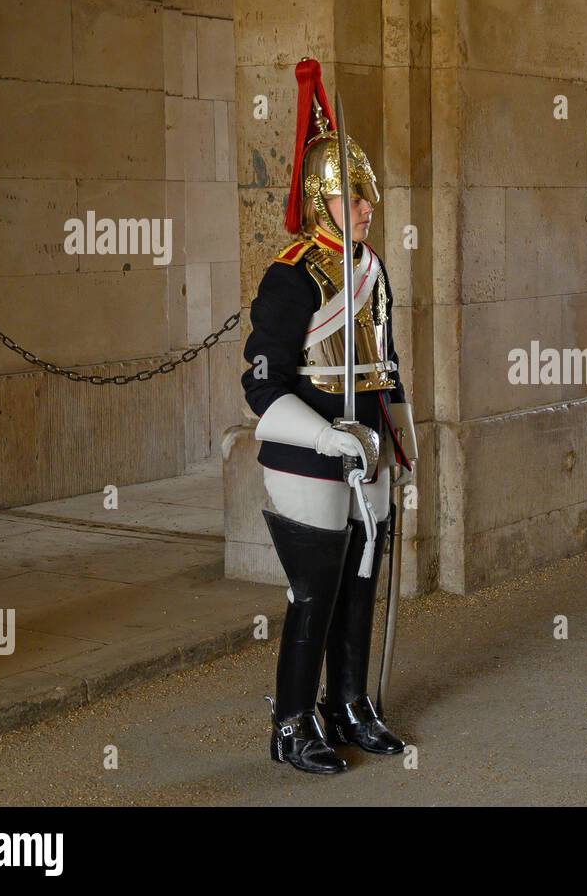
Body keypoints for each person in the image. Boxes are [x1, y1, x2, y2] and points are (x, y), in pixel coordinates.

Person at [241, 58, 417, 775]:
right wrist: (325, 435)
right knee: (314, 591)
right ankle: (291, 723)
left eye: (368, 196)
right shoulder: (290, 277)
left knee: (361, 587)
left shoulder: (371, 268)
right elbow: (262, 387)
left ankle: (348, 704)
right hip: (308, 451)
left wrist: (404, 442)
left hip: (371, 446)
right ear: (321, 202)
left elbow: (387, 361)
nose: (367, 207)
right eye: (352, 197)